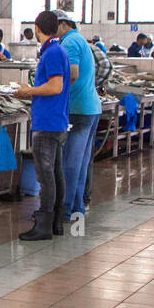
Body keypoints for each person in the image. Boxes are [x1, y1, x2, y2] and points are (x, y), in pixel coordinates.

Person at [13, 11, 71, 241]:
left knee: (46, 176)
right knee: (55, 174)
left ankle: (44, 225)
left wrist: (28, 91)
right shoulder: (55, 50)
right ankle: (56, 222)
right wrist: (29, 89)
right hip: (55, 121)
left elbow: (55, 87)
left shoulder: (53, 52)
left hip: (48, 123)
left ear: (37, 28)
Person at [56, 12, 101, 222]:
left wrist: (53, 91)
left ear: (63, 25)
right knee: (81, 162)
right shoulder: (79, 40)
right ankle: (76, 209)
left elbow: (72, 74)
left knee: (70, 163)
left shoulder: (70, 42)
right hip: (90, 108)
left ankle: (65, 210)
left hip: (78, 109)